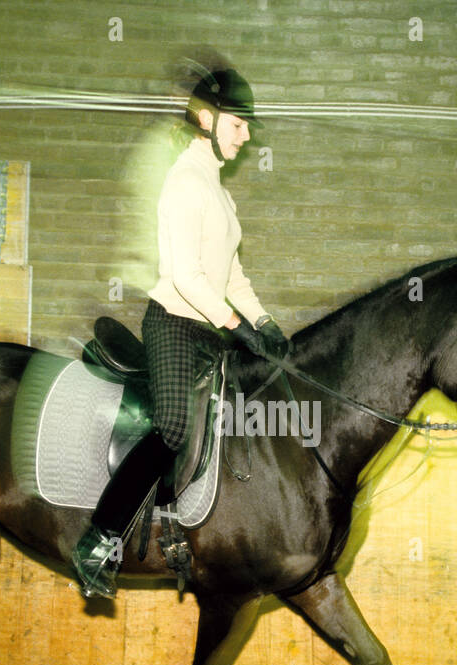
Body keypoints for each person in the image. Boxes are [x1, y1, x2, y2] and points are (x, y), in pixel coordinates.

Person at [72, 67, 288, 599]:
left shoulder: (220, 193)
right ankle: (98, 539)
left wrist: (264, 322)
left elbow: (231, 274)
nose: (246, 136)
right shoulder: (183, 182)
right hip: (173, 324)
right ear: (209, 120)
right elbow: (188, 277)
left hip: (211, 330)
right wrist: (237, 325)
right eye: (240, 125)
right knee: (172, 426)